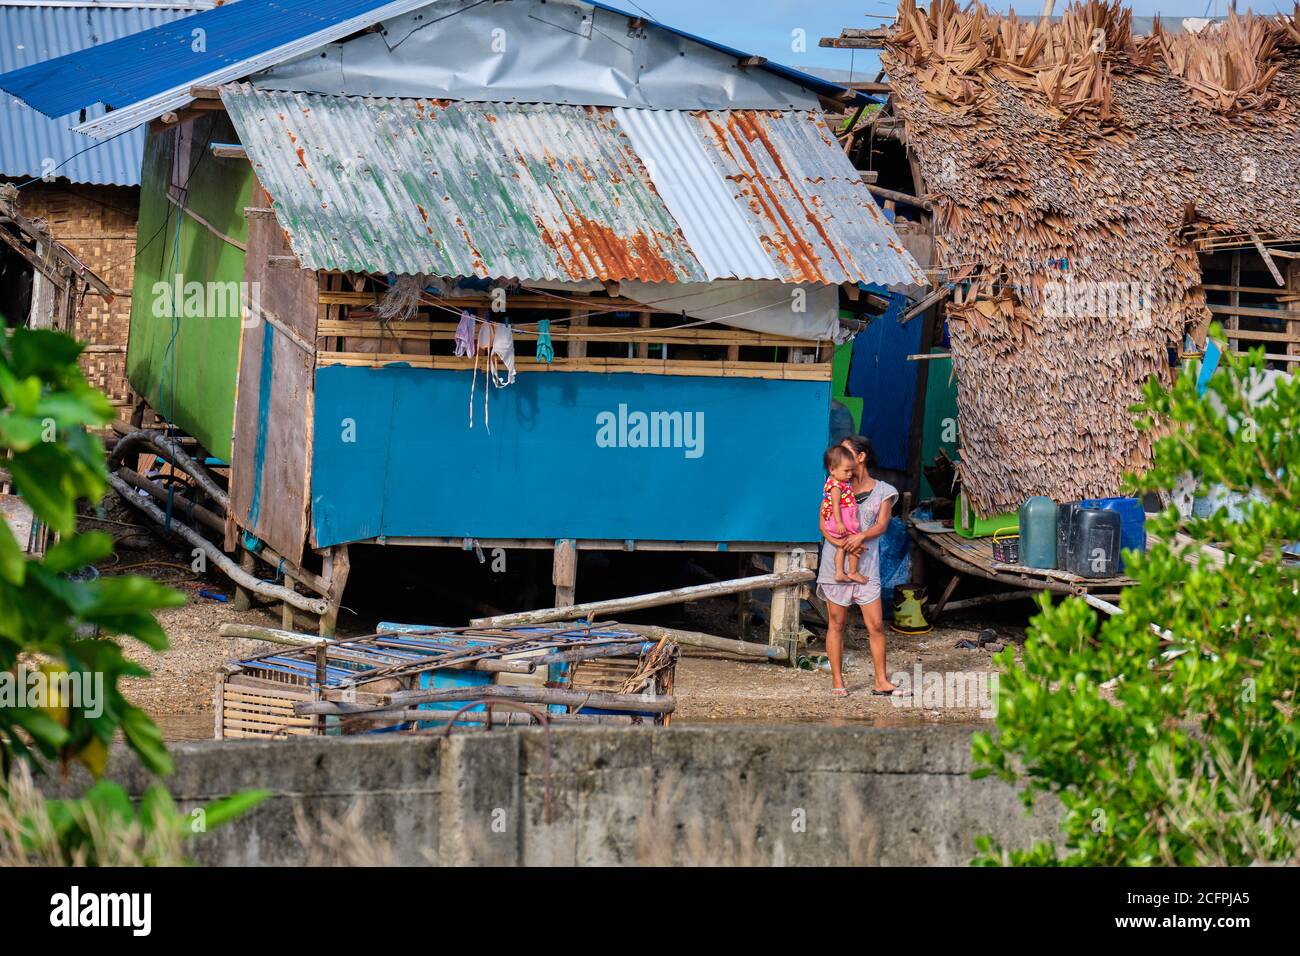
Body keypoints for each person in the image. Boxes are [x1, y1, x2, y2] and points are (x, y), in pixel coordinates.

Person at [817, 435, 905, 699]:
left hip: (866, 569)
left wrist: (860, 537)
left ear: (861, 457)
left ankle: (881, 680)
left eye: (845, 452)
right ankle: (837, 682)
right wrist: (839, 540)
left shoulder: (884, 491)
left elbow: (881, 525)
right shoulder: (833, 486)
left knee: (876, 625)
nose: (840, 457)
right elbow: (823, 523)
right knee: (836, 623)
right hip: (835, 567)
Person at [821, 445, 867, 584]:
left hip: (842, 518)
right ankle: (853, 572)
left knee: (842, 547)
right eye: (846, 471)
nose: (849, 474)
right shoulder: (836, 486)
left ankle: (839, 573)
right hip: (842, 519)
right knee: (854, 543)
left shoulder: (837, 481)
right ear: (832, 469)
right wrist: (840, 523)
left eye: (851, 470)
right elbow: (835, 505)